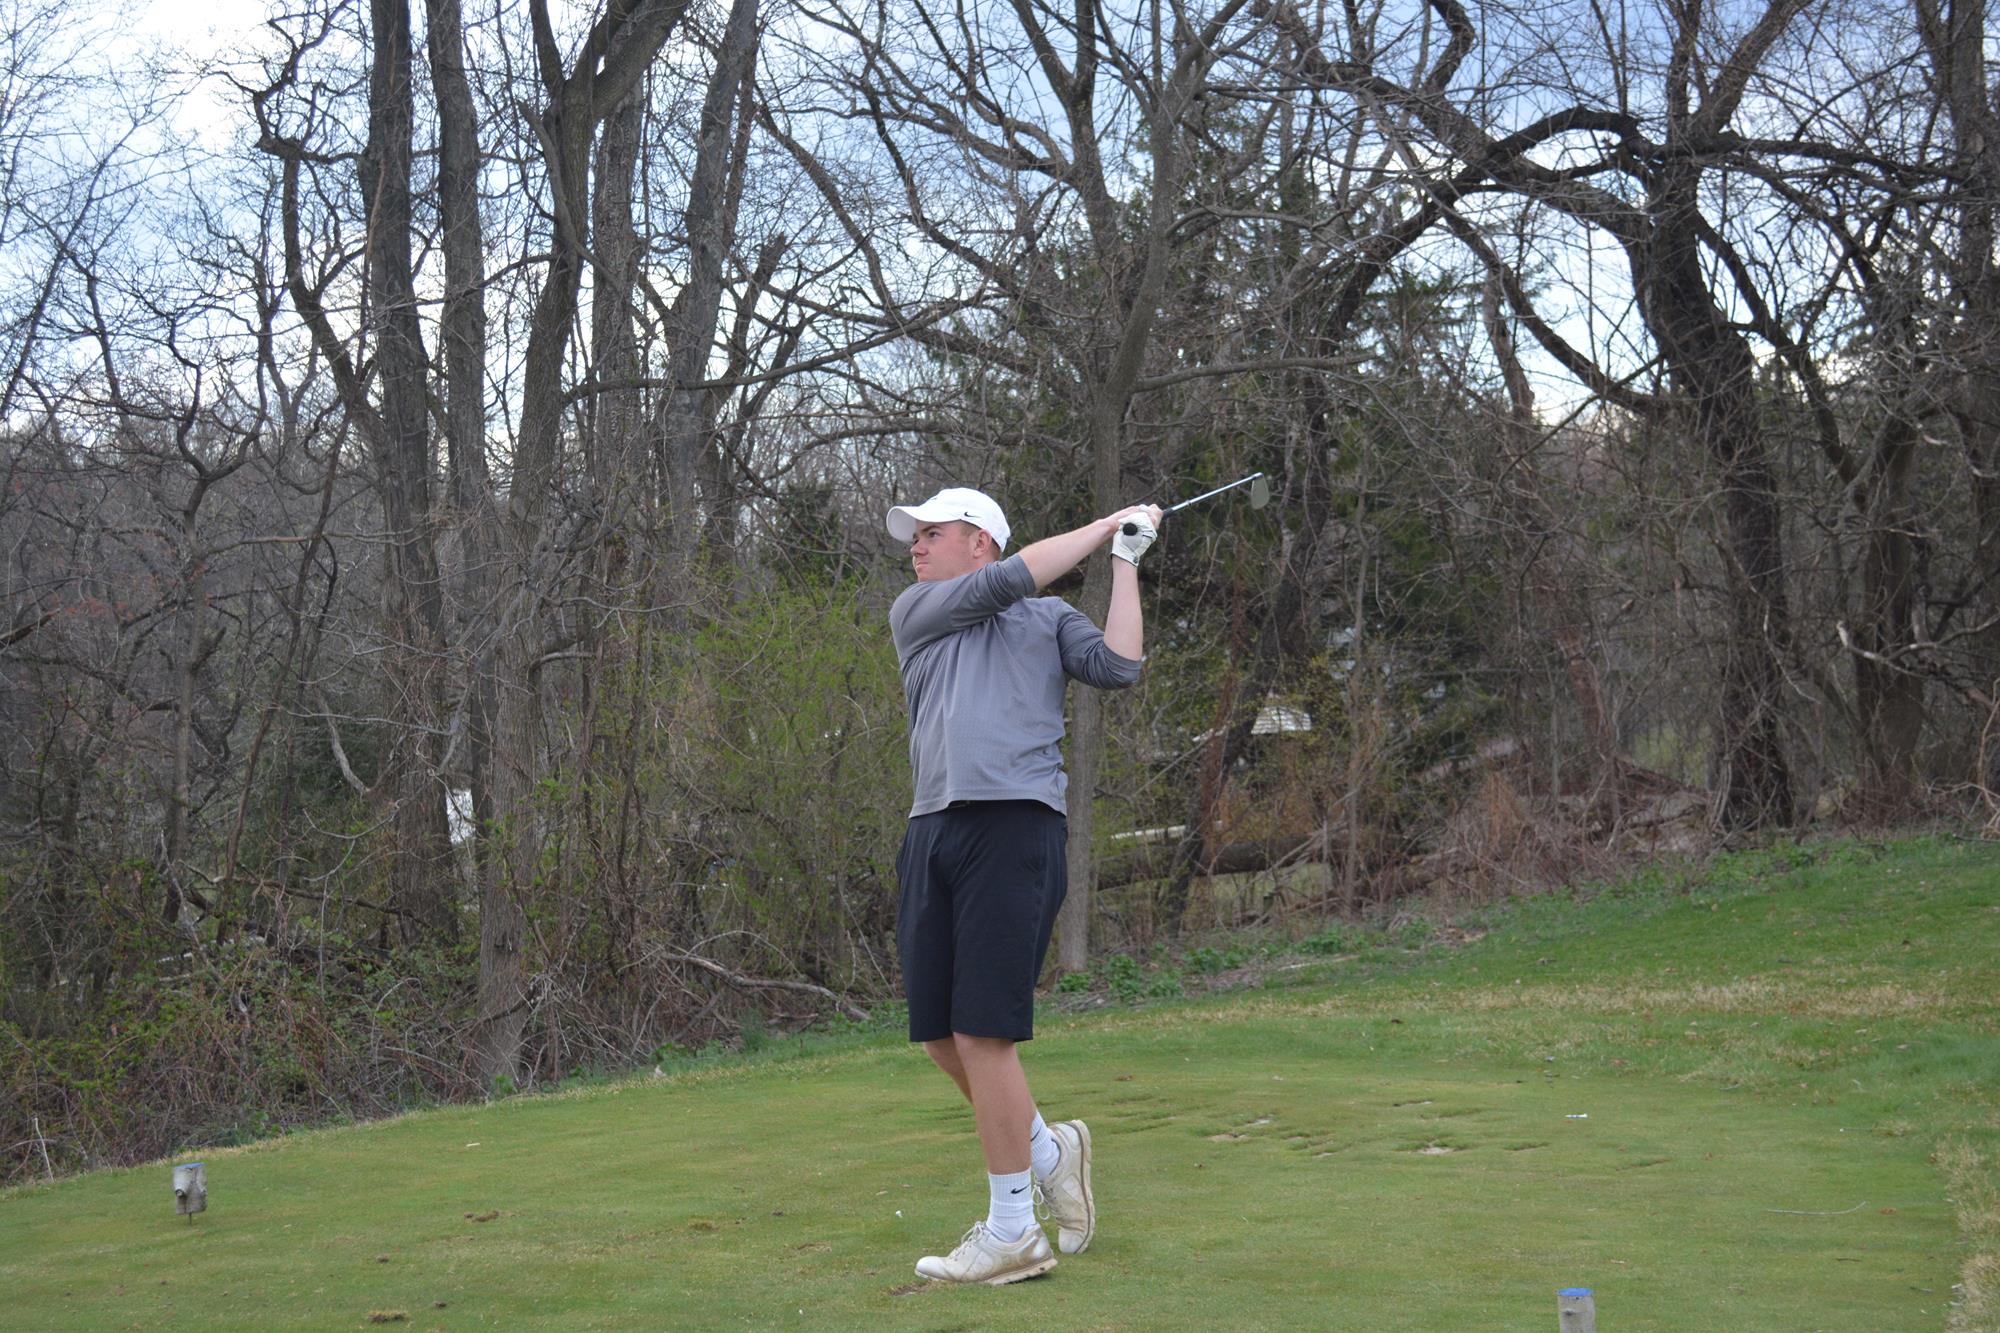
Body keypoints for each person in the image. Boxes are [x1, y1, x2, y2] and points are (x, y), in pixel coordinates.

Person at [884, 485, 1163, 1286]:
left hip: (1016, 826)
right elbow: (1014, 581)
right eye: (916, 535)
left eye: (931, 532)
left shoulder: (1047, 621)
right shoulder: (919, 610)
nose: (916, 545)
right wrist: (1104, 519)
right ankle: (1049, 1150)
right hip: (931, 827)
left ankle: (1013, 1229)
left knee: (982, 1032)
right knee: (940, 1032)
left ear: (980, 540)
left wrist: (1125, 559)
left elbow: (1119, 665)